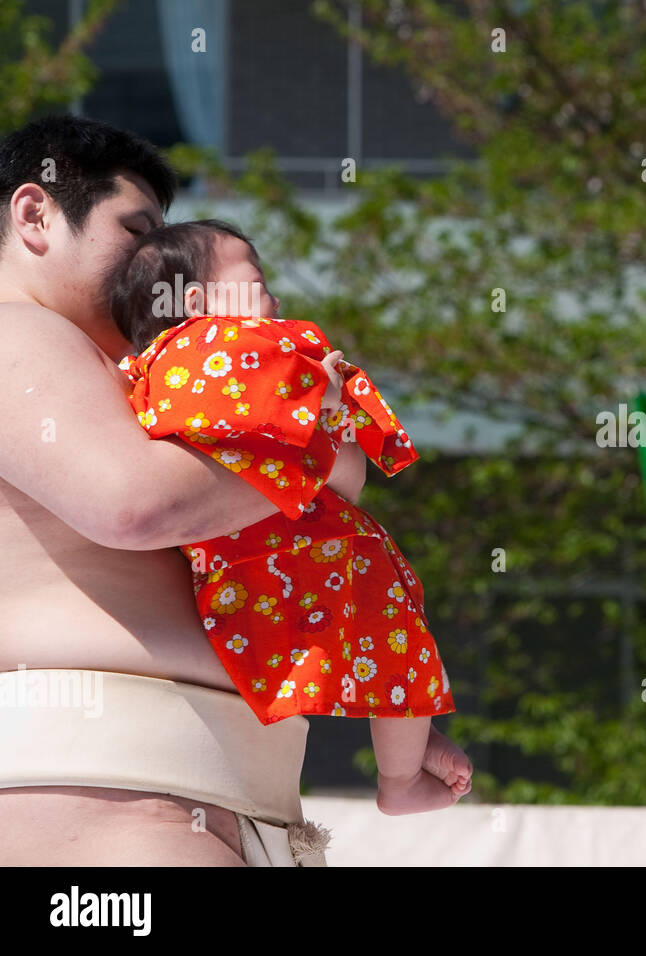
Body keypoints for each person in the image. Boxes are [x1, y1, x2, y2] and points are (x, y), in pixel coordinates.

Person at [0, 115, 467, 866]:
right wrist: (316, 441)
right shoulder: (13, 332)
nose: (156, 259)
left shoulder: (133, 381)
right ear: (36, 213)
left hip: (209, 797)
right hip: (110, 804)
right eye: (137, 227)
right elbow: (135, 504)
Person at [110, 220, 470, 791]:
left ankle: (405, 765)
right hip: (265, 561)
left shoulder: (222, 362)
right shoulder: (201, 351)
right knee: (397, 643)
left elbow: (346, 486)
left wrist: (325, 409)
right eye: (257, 282)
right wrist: (313, 387)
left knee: (399, 639)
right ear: (197, 302)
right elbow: (242, 415)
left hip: (304, 550)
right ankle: (400, 774)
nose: (275, 300)